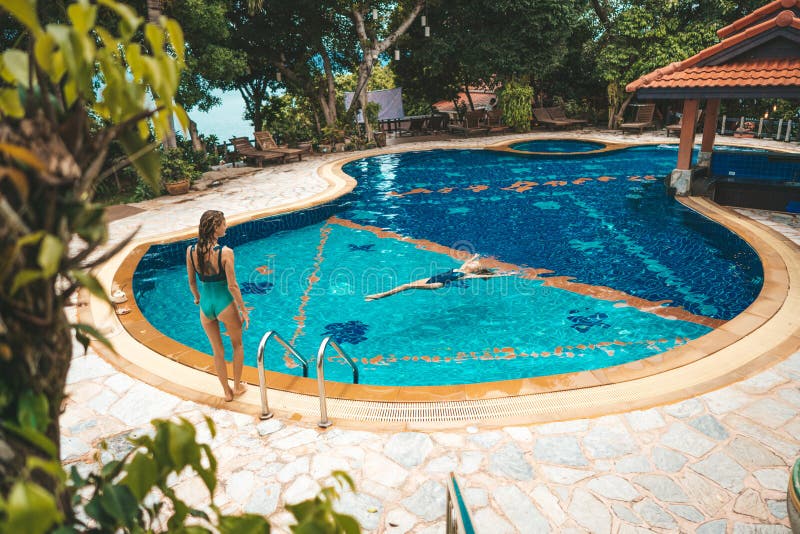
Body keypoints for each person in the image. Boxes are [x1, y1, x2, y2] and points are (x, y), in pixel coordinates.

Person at [187, 210, 250, 401]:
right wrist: (243, 310)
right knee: (237, 346)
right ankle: (237, 387)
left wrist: (198, 299)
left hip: (206, 306)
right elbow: (232, 286)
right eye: (223, 223)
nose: (226, 226)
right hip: (225, 304)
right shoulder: (226, 252)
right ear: (215, 227)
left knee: (217, 351)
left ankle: (226, 392)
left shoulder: (190, 251)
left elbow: (191, 282)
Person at [365, 254, 515, 301]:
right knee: (407, 284)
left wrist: (507, 274)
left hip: (438, 284)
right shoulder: (463, 267)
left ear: (474, 269)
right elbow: (468, 261)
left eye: (475, 263)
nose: (473, 262)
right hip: (432, 278)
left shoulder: (467, 274)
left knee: (406, 286)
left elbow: (484, 276)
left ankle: (379, 296)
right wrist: (475, 256)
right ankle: (378, 296)